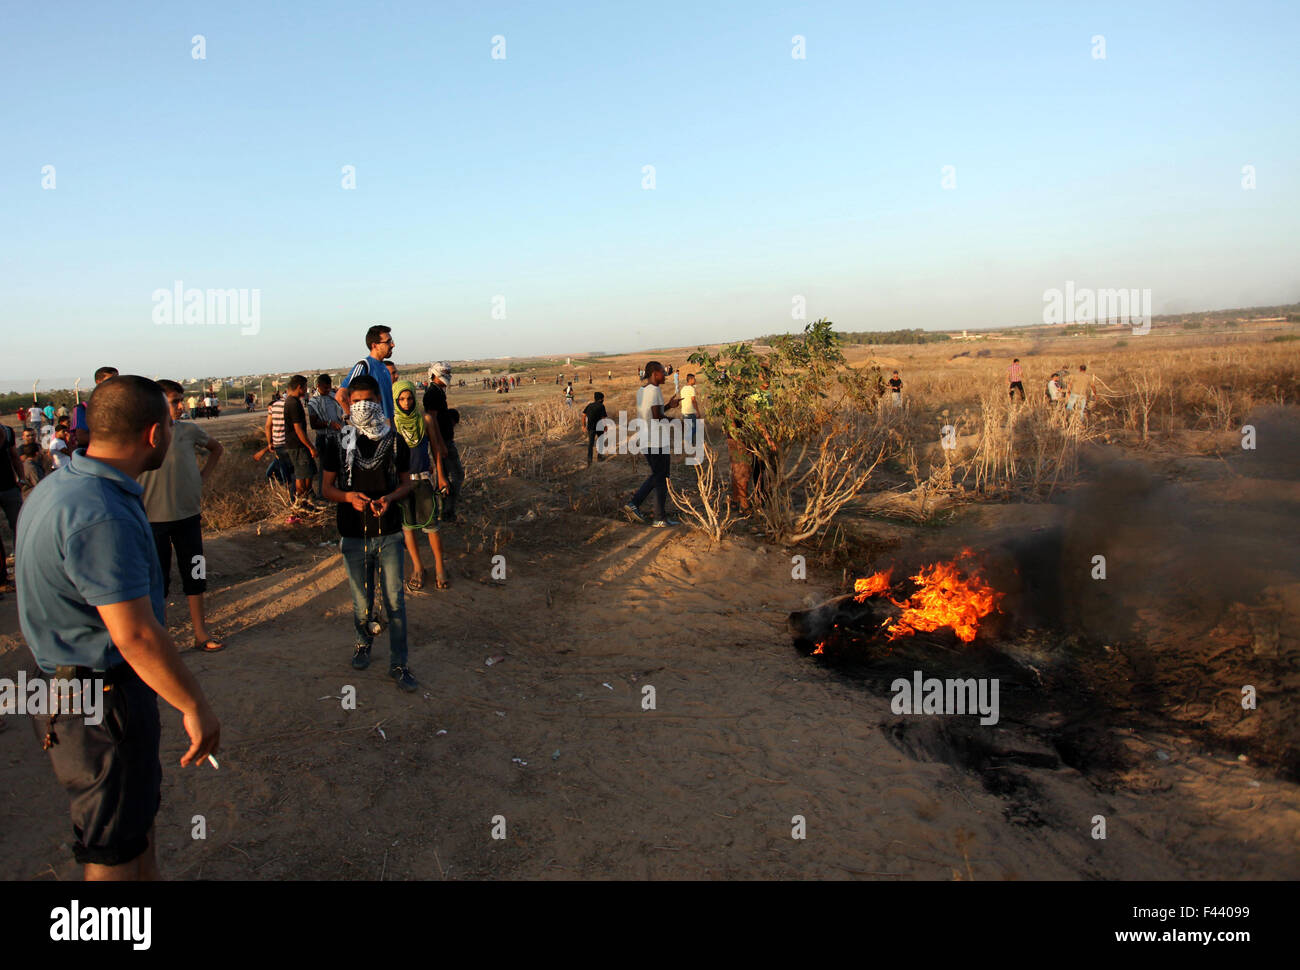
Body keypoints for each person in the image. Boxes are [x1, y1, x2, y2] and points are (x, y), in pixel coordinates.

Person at [16, 375, 221, 879]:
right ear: (155, 434)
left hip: (71, 692)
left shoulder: (59, 487)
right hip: (99, 704)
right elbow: (136, 635)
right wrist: (194, 705)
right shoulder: (99, 513)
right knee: (112, 857)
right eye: (170, 426)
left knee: (133, 833)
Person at [320, 375, 418, 691]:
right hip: (353, 534)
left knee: (395, 602)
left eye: (368, 400)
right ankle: (363, 643)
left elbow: (407, 483)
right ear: (349, 403)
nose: (362, 406)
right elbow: (326, 488)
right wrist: (349, 497)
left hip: (389, 533)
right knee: (361, 602)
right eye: (356, 400)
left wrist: (390, 498)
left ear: (379, 400)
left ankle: (399, 663)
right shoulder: (341, 440)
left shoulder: (395, 440)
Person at [137, 379, 226, 653]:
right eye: (175, 401)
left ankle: (201, 633)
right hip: (153, 522)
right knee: (157, 581)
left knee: (195, 574)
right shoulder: (141, 436)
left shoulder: (189, 431)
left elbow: (216, 448)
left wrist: (203, 477)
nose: (180, 406)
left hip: (189, 518)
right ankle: (161, 639)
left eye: (180, 400)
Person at [393, 380, 449, 592]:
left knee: (432, 526)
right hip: (403, 482)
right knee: (408, 527)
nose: (406, 403)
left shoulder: (424, 419)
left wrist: (441, 476)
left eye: (409, 398)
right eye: (401, 399)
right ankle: (418, 567)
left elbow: (435, 449)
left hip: (424, 478)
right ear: (396, 400)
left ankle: (439, 566)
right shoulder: (393, 423)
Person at [623, 361, 680, 527]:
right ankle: (640, 506)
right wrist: (677, 422)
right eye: (663, 372)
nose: (665, 375)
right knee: (660, 476)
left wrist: (669, 405)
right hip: (654, 439)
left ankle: (658, 516)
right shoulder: (655, 390)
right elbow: (656, 416)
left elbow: (653, 413)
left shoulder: (642, 390)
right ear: (655, 373)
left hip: (647, 438)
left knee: (660, 476)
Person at [422, 362, 458, 520]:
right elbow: (432, 422)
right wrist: (440, 444)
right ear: (433, 375)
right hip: (442, 442)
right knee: (453, 476)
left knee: (448, 475)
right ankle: (445, 511)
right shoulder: (432, 393)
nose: (447, 376)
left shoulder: (438, 391)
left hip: (445, 440)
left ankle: (444, 510)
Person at [339, 325, 397, 420]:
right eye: (388, 342)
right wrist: (358, 422)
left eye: (392, 341)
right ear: (374, 345)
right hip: (373, 432)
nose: (392, 345)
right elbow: (341, 396)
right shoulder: (365, 366)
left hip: (387, 430)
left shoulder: (385, 368)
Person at [280, 375, 318, 506]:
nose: (306, 390)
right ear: (299, 387)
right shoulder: (293, 403)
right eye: (305, 387)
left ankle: (305, 500)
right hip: (297, 445)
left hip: (297, 444)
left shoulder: (292, 401)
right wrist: (310, 446)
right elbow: (298, 429)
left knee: (308, 472)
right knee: (302, 475)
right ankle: (301, 502)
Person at [308, 374, 346, 496]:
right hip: (324, 438)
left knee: (341, 465)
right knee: (325, 468)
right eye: (325, 388)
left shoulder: (333, 397)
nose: (328, 390)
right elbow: (313, 424)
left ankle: (340, 491)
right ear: (318, 386)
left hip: (338, 436)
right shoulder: (313, 402)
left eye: (329, 387)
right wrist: (329, 423)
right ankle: (323, 494)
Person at [72, 366, 119, 449]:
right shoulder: (83, 408)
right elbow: (82, 438)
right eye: (110, 380)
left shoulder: (122, 405)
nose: (115, 383)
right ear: (98, 382)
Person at [0, 427, 22, 593]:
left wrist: (20, 478)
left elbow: (15, 456)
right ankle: (19, 570)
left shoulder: (7, 431)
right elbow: (14, 456)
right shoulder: (6, 431)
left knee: (18, 527)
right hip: (9, 486)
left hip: (9, 486)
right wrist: (20, 478)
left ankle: (5, 576)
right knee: (18, 527)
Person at [582, 391, 608, 466]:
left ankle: (589, 460)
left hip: (590, 427)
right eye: (603, 398)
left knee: (590, 444)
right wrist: (605, 426)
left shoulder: (589, 405)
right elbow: (603, 418)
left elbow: (583, 416)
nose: (603, 399)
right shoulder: (601, 406)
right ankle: (599, 457)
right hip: (599, 427)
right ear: (600, 399)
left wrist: (583, 426)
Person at [680, 373, 704, 445]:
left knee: (688, 428)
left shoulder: (683, 388)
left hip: (684, 412)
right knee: (693, 428)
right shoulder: (691, 389)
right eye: (694, 379)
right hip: (690, 412)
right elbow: (693, 401)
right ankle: (688, 441)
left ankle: (690, 442)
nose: (695, 380)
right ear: (690, 380)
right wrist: (698, 411)